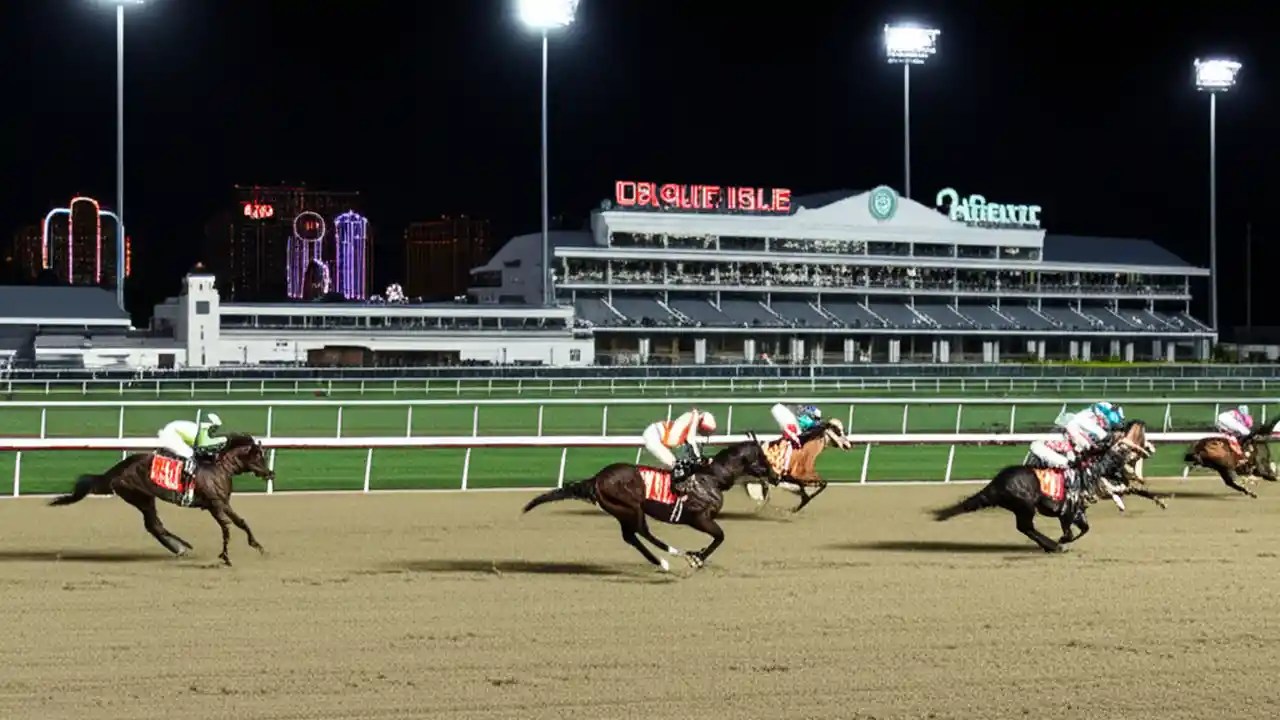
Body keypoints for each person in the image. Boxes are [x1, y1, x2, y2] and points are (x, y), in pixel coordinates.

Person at [157, 412, 228, 505]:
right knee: (190, 458)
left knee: (191, 455)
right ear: (208, 425)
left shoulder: (199, 430)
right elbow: (203, 449)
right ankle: (187, 493)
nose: (214, 430)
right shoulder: (198, 432)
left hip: (173, 432)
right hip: (171, 435)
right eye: (214, 427)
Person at [640, 408, 718, 486]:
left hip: (656, 434)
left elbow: (688, 443)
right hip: (654, 435)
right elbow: (691, 440)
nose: (701, 432)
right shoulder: (694, 418)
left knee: (676, 466)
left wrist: (699, 458)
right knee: (676, 467)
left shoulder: (692, 417)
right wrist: (699, 458)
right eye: (703, 430)